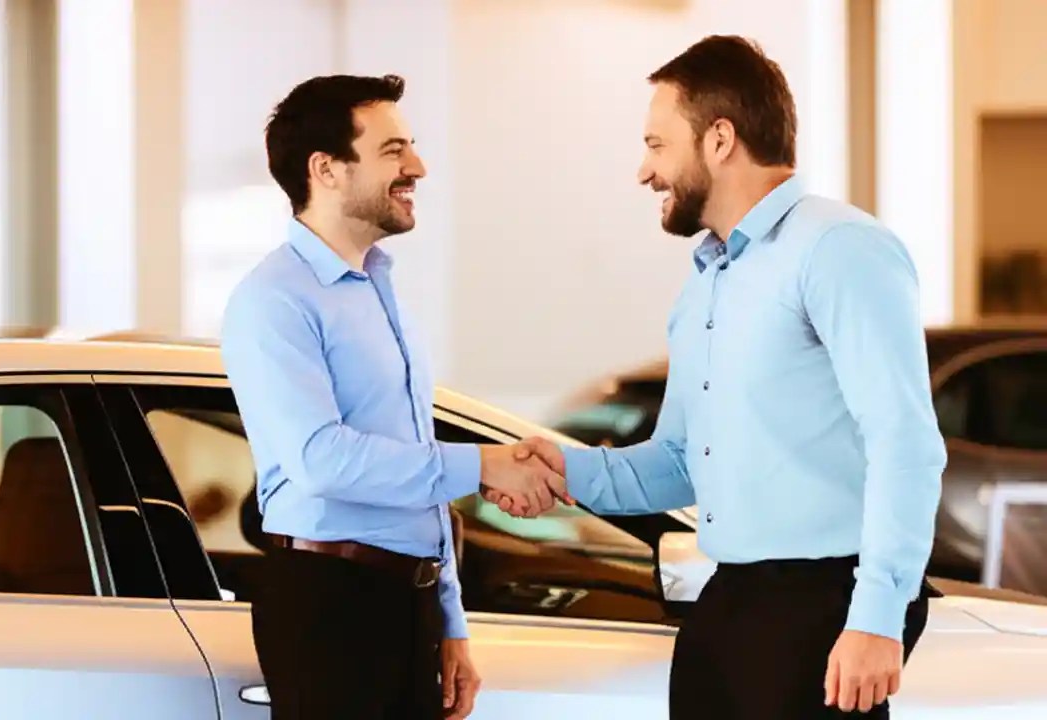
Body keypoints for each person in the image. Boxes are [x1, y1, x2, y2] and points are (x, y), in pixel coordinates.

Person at [488, 35, 946, 719]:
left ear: (720, 139)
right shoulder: (707, 280)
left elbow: (904, 441)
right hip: (732, 597)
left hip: (823, 603)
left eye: (656, 143)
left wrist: (877, 617)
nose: (645, 171)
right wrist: (558, 470)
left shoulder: (838, 248)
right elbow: (677, 463)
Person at [220, 73, 571, 720]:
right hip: (330, 606)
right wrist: (485, 464)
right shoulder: (274, 300)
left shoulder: (380, 289)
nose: (418, 166)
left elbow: (412, 470)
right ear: (325, 169)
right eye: (393, 150)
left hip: (406, 598)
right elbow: (321, 460)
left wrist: (449, 620)